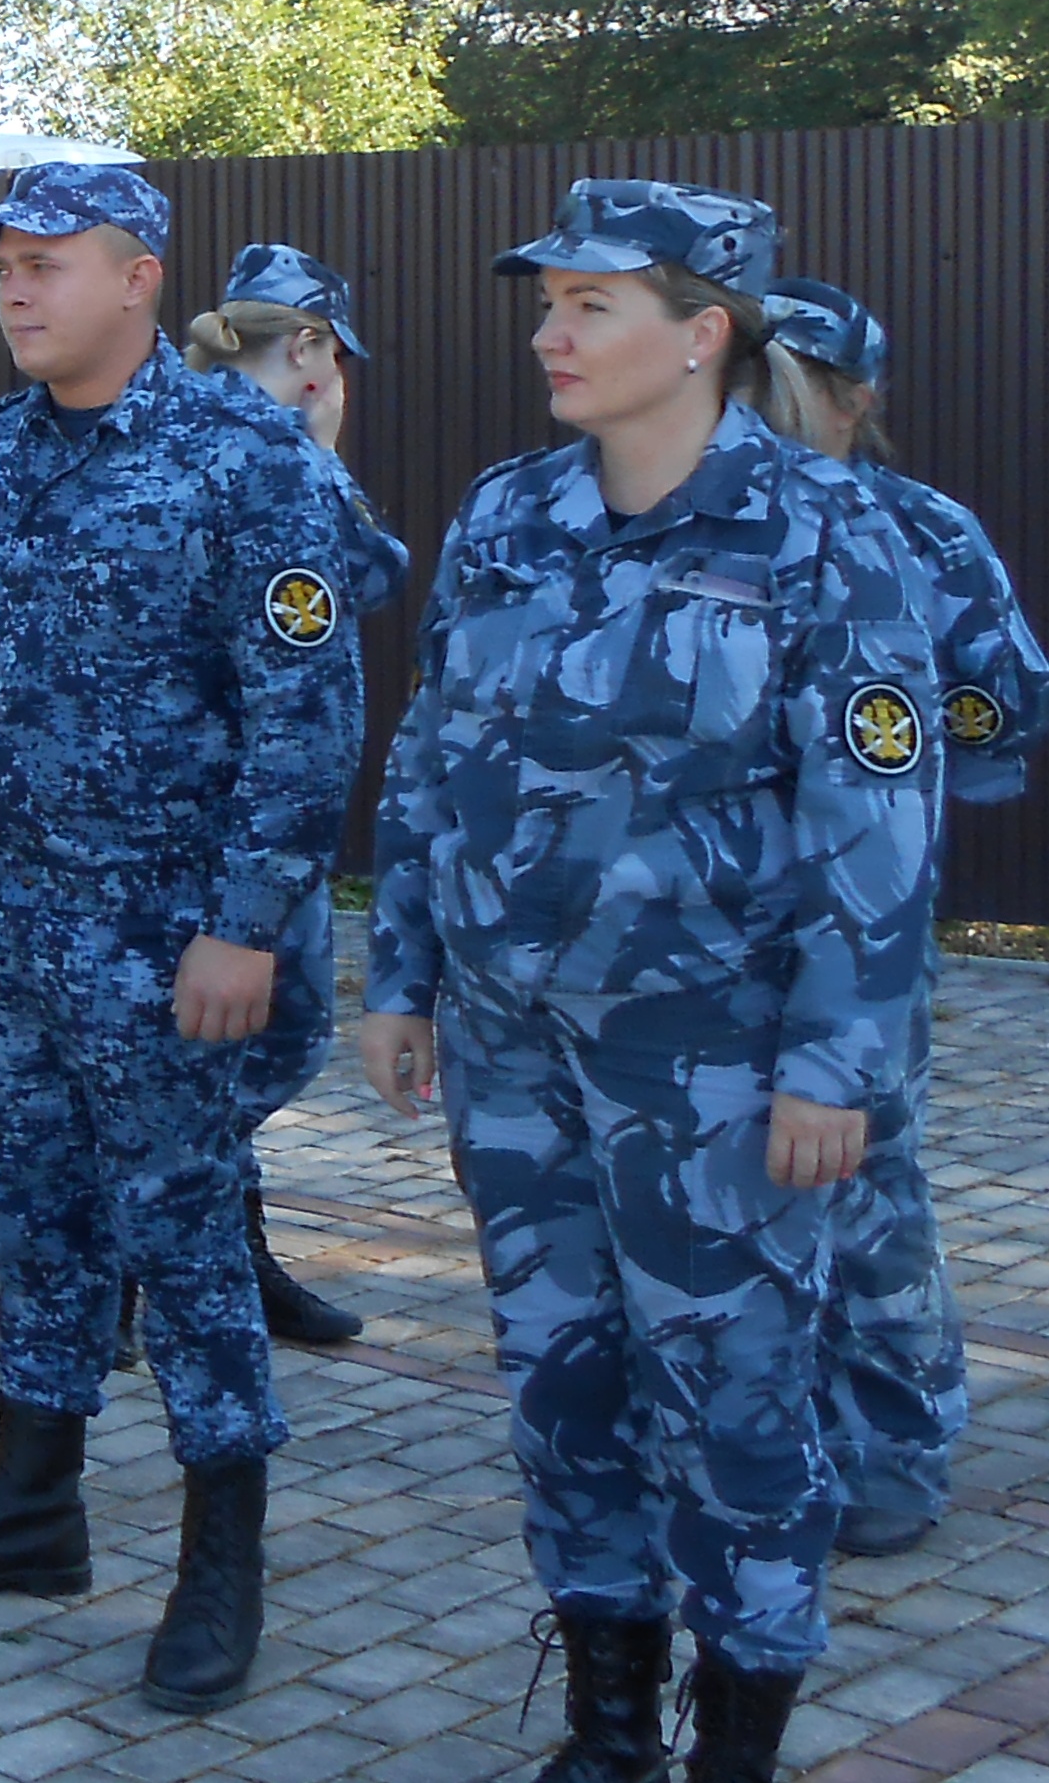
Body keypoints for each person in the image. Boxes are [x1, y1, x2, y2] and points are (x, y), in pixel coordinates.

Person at [359, 183, 942, 1783]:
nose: (549, 332)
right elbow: (431, 755)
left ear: (703, 333)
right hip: (511, 1046)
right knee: (563, 1384)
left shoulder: (829, 535)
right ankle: (608, 1727)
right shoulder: (503, 514)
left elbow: (876, 821)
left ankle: (733, 1744)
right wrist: (400, 968)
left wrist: (836, 1062)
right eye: (545, 299)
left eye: (592, 305)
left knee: (740, 1410)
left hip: (718, 1066)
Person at [0, 161, 363, 1716]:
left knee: (186, 1243)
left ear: (139, 275)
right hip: (0, 938)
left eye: (48, 262)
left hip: (162, 945)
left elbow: (305, 712)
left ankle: (221, 1552)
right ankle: (33, 1500)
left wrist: (247, 925)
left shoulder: (249, 459)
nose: (14, 287)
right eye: (2, 263)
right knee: (38, 1215)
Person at [759, 274, 1044, 1559]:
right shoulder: (680, 511)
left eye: (799, 377)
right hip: (708, 926)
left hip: (860, 921)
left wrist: (910, 760)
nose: (769, 396)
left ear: (857, 394)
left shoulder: (922, 529)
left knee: (869, 1180)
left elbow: (1005, 698)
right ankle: (764, 1429)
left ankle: (896, 1439)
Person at [179, 241, 408, 1352]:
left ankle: (223, 1246)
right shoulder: (263, 444)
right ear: (312, 347)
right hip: (246, 809)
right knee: (268, 1037)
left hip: (220, 805)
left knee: (221, 1051)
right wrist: (321, 442)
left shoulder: (168, 416)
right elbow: (370, 573)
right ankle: (177, 1244)